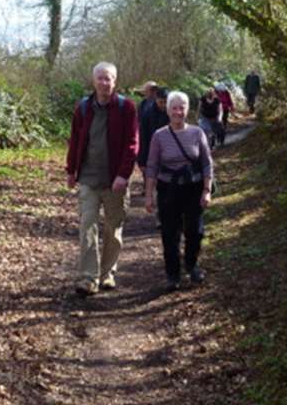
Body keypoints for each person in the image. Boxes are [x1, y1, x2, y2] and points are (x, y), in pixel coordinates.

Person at [65, 62, 140, 296]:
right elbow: (75, 139)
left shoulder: (126, 107)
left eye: (108, 79)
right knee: (87, 225)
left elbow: (132, 144)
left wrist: (123, 175)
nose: (104, 83)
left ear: (115, 81)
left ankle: (107, 273)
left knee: (112, 228)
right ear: (93, 80)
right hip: (88, 177)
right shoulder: (84, 108)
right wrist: (71, 170)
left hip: (114, 180)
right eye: (100, 78)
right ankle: (88, 277)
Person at [144, 91, 213, 291]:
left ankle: (192, 265)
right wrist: (149, 195)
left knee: (195, 231)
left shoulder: (197, 133)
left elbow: (207, 164)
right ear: (168, 111)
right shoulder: (159, 136)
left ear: (187, 110)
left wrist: (207, 190)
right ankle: (172, 274)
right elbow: (152, 166)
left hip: (194, 187)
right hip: (168, 189)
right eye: (174, 108)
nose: (178, 112)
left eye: (181, 107)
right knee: (169, 233)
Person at [138, 87, 170, 178]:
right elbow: (143, 137)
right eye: (161, 102)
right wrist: (142, 160)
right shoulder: (147, 114)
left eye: (166, 102)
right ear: (156, 100)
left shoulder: (172, 113)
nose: (164, 105)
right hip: (150, 150)